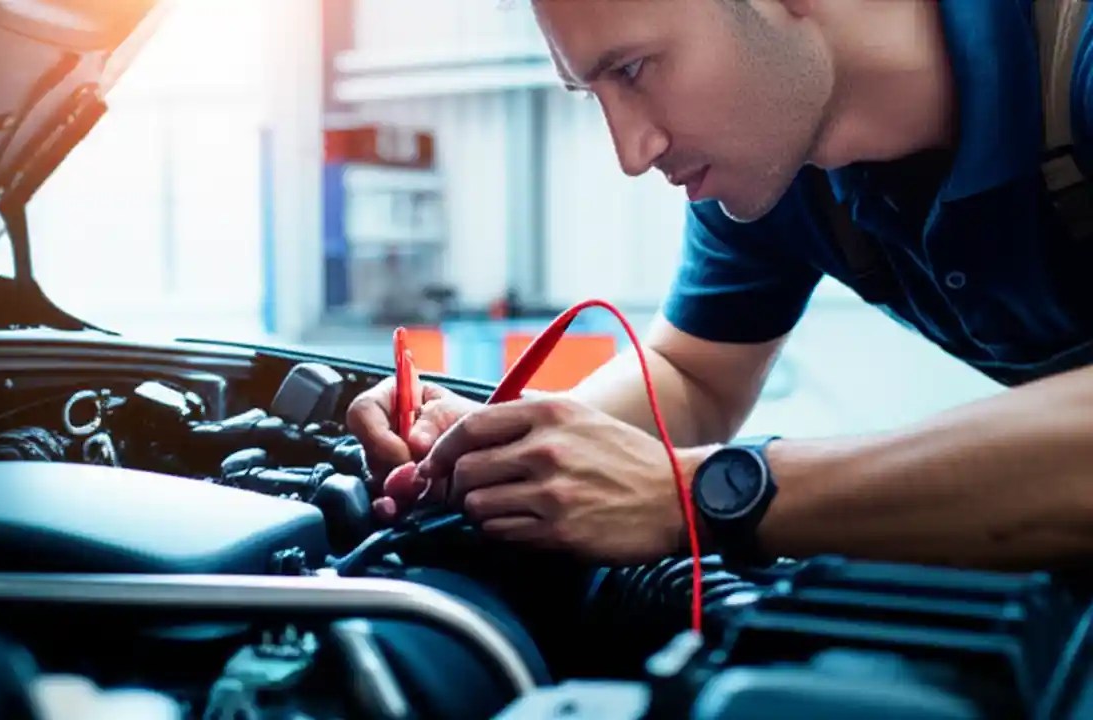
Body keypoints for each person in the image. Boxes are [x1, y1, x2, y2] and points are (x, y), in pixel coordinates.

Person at [345, 0, 1093, 574]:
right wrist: (505, 455)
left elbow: (677, 473)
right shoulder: (780, 162)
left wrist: (703, 495)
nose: (631, 153)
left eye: (633, 69)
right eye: (592, 93)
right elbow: (693, 375)